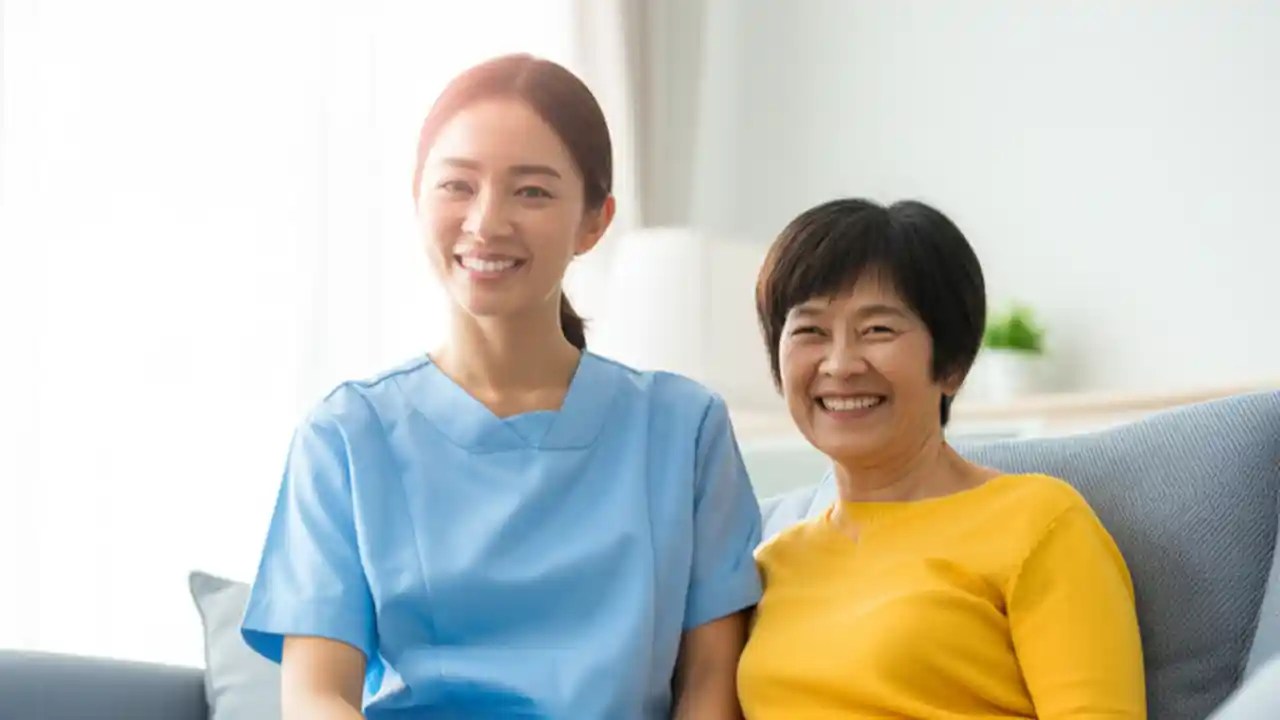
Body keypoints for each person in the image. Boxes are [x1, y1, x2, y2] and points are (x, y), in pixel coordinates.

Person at [240, 54, 762, 720]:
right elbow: (316, 697)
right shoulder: (345, 435)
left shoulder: (684, 429)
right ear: (417, 196)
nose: (486, 222)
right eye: (457, 185)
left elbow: (709, 687)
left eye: (532, 191)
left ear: (594, 221)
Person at [736, 198, 1146, 718]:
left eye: (878, 330)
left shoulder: (1038, 523)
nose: (839, 364)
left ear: (951, 363)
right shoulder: (768, 563)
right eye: (810, 331)